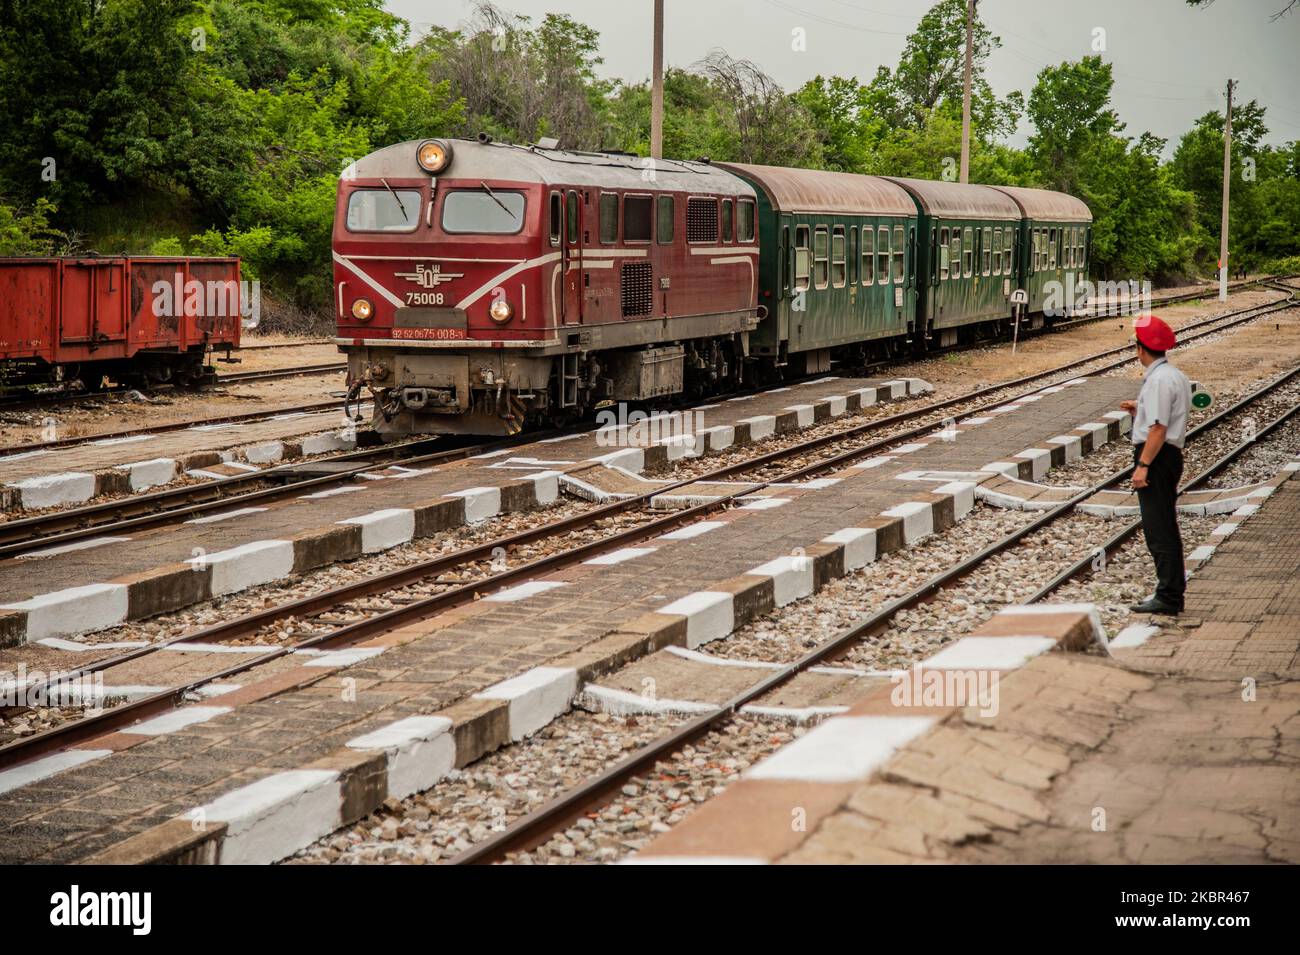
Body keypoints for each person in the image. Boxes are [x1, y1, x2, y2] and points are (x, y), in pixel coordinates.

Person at [1119, 314, 1191, 615]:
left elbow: (1159, 428)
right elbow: (1165, 414)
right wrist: (1141, 407)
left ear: (1140, 349)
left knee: (1158, 527)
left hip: (1158, 458)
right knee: (1163, 524)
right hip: (1167, 456)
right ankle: (1170, 592)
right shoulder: (1173, 375)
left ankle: (1169, 596)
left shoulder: (1159, 380)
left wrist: (1143, 465)